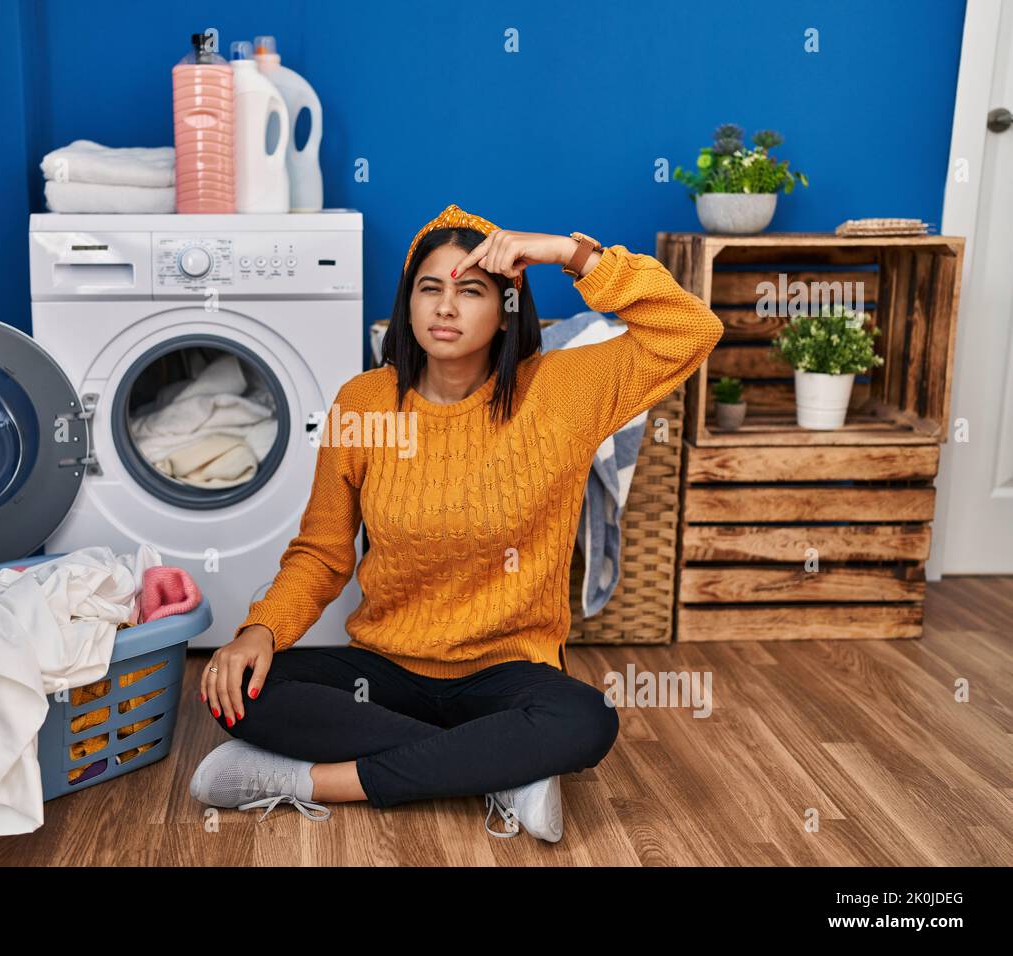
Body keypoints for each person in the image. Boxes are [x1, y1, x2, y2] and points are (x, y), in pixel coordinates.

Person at [189, 203, 723, 841]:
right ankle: (502, 765)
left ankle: (304, 781)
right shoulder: (365, 402)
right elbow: (322, 552)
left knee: (586, 721)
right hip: (384, 672)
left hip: (508, 672)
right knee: (239, 688)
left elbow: (691, 329)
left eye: (471, 291)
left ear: (506, 311)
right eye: (430, 288)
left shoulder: (562, 392)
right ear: (409, 303)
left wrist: (567, 252)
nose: (446, 307)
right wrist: (260, 630)